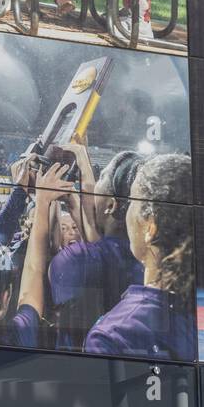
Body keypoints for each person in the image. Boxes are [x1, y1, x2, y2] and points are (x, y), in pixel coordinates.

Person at [82, 154, 196, 361]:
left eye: (132, 203)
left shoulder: (114, 336)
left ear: (150, 228)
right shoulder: (201, 310)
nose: (127, 214)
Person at [47, 150, 146, 352]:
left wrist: (43, 203)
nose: (94, 186)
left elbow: (35, 272)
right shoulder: (149, 261)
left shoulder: (76, 260)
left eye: (101, 177)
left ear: (111, 205)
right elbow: (102, 245)